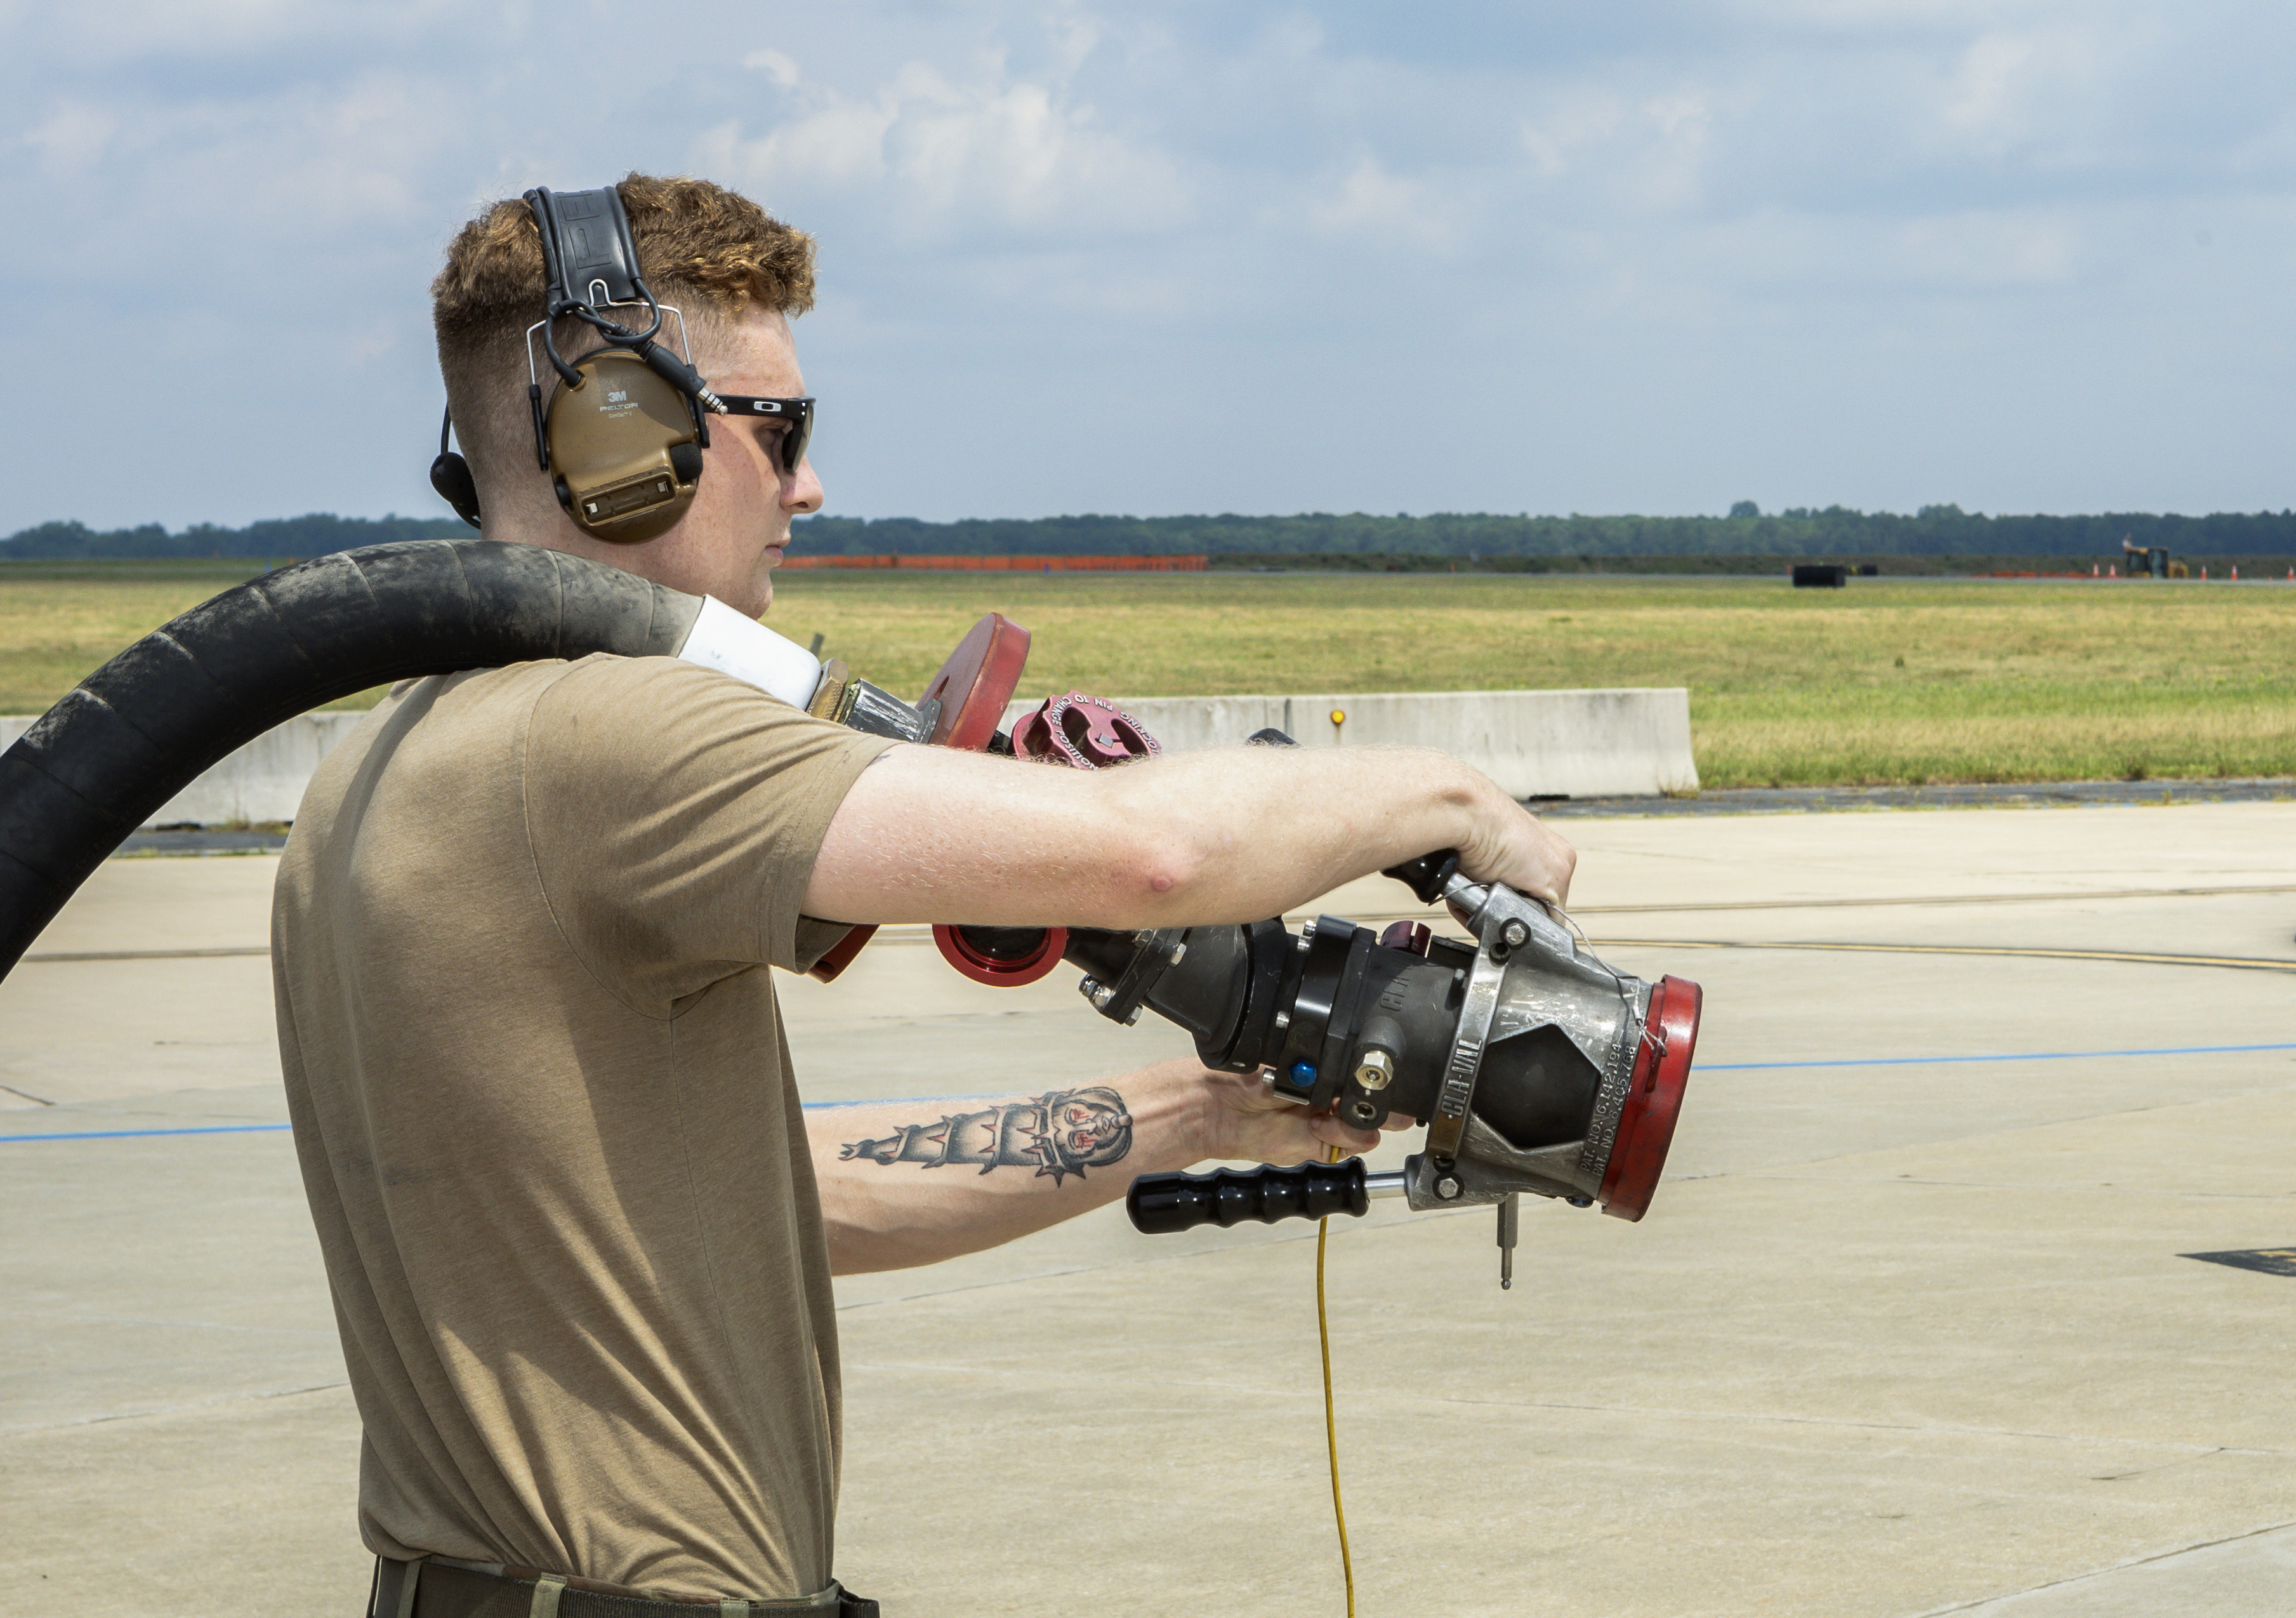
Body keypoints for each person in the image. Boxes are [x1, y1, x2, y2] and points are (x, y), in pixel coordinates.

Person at [277, 173, 1575, 1616]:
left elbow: (781, 1200)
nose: (809, 485)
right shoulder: (609, 739)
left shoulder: (388, 764)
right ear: (616, 435)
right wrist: (1457, 797)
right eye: (779, 431)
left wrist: (1194, 1115)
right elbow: (1147, 856)